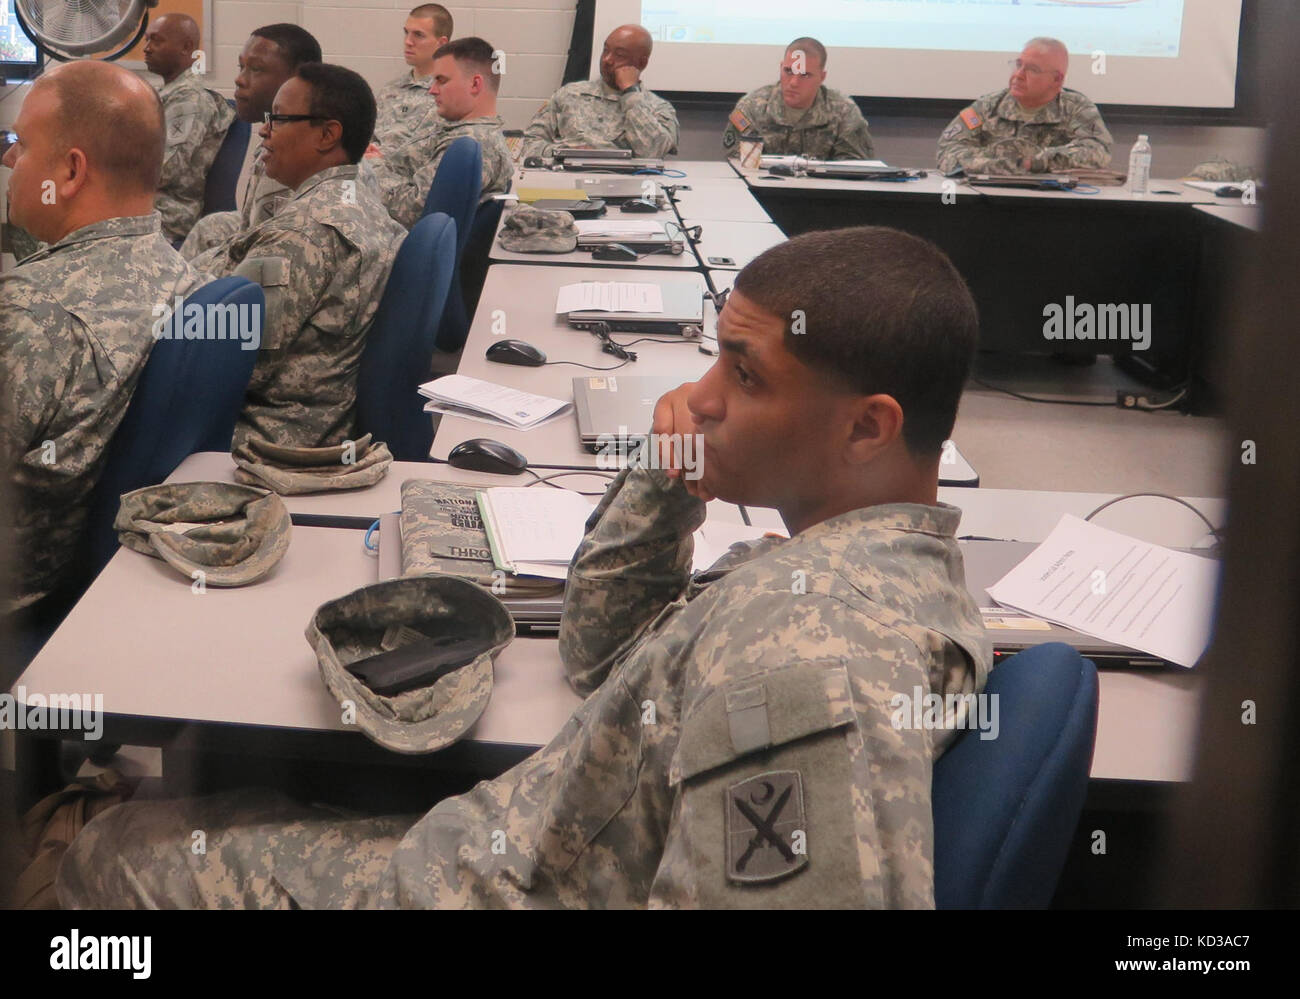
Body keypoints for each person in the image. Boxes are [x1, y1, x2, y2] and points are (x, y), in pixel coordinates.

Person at [56, 225, 992, 909]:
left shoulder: (813, 656)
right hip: (524, 839)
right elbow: (600, 651)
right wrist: (668, 478)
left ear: (868, 426)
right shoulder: (864, 564)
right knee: (233, 803)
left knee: (120, 854)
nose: (696, 399)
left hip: (497, 878)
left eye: (743, 376)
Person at [0, 62, 200, 613]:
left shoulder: (33, 311)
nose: (10, 160)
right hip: (102, 585)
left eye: (21, 143)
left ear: (70, 172)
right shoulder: (181, 274)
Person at [187, 63, 407, 450]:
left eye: (280, 119)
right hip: (319, 416)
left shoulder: (301, 234)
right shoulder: (357, 199)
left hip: (267, 436)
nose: (263, 129)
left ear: (327, 134)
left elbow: (226, 362)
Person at [179, 24, 322, 258]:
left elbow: (266, 255)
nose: (239, 79)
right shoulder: (276, 132)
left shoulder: (294, 154)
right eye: (241, 67)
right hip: (257, 246)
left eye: (256, 69)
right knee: (211, 227)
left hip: (274, 265)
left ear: (298, 79)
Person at [368, 37, 513, 228]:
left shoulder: (472, 144)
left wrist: (374, 167)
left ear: (475, 85)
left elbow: (411, 210)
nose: (432, 91)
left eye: (441, 80)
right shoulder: (456, 131)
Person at [936, 37, 1112, 175]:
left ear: (1056, 79)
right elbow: (947, 151)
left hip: (1053, 205)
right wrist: (1006, 165)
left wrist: (1038, 162)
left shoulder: (1077, 109)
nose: (1018, 75)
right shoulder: (987, 107)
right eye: (1019, 65)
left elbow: (1097, 152)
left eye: (1032, 70)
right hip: (989, 201)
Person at [143, 12, 236, 244]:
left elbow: (166, 169)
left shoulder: (190, 100)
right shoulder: (169, 94)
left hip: (167, 215)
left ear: (186, 47)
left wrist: (109, 172)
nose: (147, 47)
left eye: (156, 40)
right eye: (147, 39)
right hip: (146, 206)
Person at [522, 24, 678, 159]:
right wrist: (562, 153)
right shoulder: (569, 94)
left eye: (619, 54)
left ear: (641, 63)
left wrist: (631, 94)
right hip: (567, 182)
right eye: (605, 50)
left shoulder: (658, 108)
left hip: (625, 185)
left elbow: (654, 153)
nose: (607, 59)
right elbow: (530, 143)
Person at [722, 37, 873, 160]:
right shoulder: (750, 108)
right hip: (762, 194)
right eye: (788, 71)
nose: (793, 82)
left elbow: (855, 171)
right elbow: (738, 165)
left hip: (824, 195)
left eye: (804, 75)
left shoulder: (845, 113)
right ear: (781, 67)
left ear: (822, 77)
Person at [373, 4, 453, 147]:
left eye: (418, 35)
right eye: (406, 33)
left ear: (441, 44)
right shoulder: (390, 90)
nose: (408, 42)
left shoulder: (449, 95)